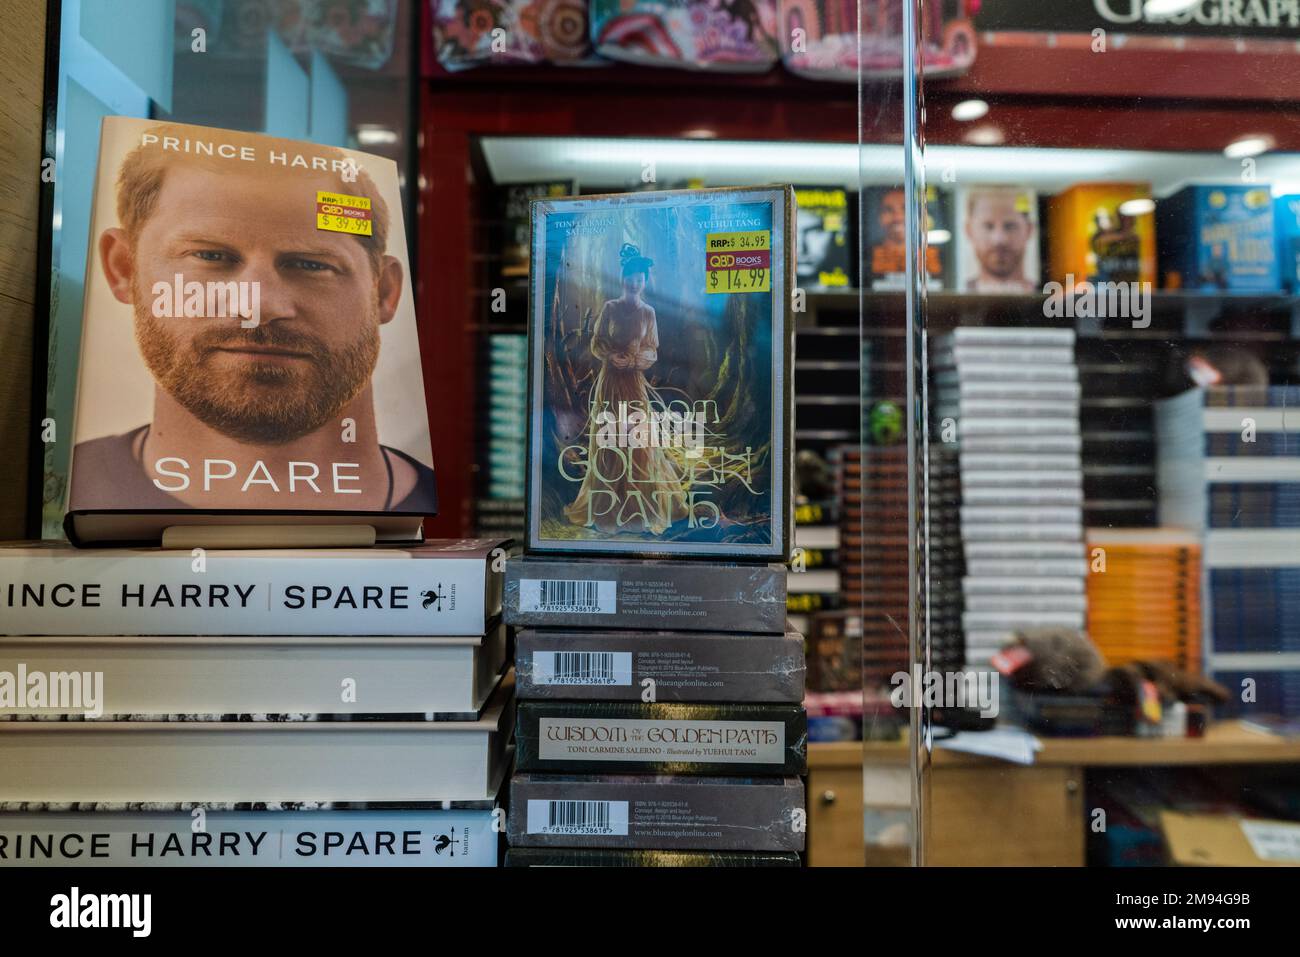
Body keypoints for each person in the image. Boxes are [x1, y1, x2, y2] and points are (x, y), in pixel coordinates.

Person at [71, 123, 435, 513]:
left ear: (384, 292)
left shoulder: (448, 532)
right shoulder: (66, 488)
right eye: (210, 256)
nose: (259, 306)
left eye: (311, 264)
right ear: (124, 268)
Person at [563, 243, 687, 534]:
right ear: (623, 279)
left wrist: (637, 360)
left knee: (638, 441)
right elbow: (596, 342)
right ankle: (607, 508)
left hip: (634, 384)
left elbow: (652, 350)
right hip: (610, 382)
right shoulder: (610, 308)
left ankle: (641, 507)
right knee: (610, 439)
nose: (635, 282)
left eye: (640, 278)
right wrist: (612, 356)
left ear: (644, 282)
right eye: (631, 277)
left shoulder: (649, 313)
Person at [964, 187, 1037, 293]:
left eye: (1010, 226)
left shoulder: (1054, 298)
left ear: (1029, 229)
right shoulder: (950, 298)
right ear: (969, 230)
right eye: (988, 226)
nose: (999, 239)